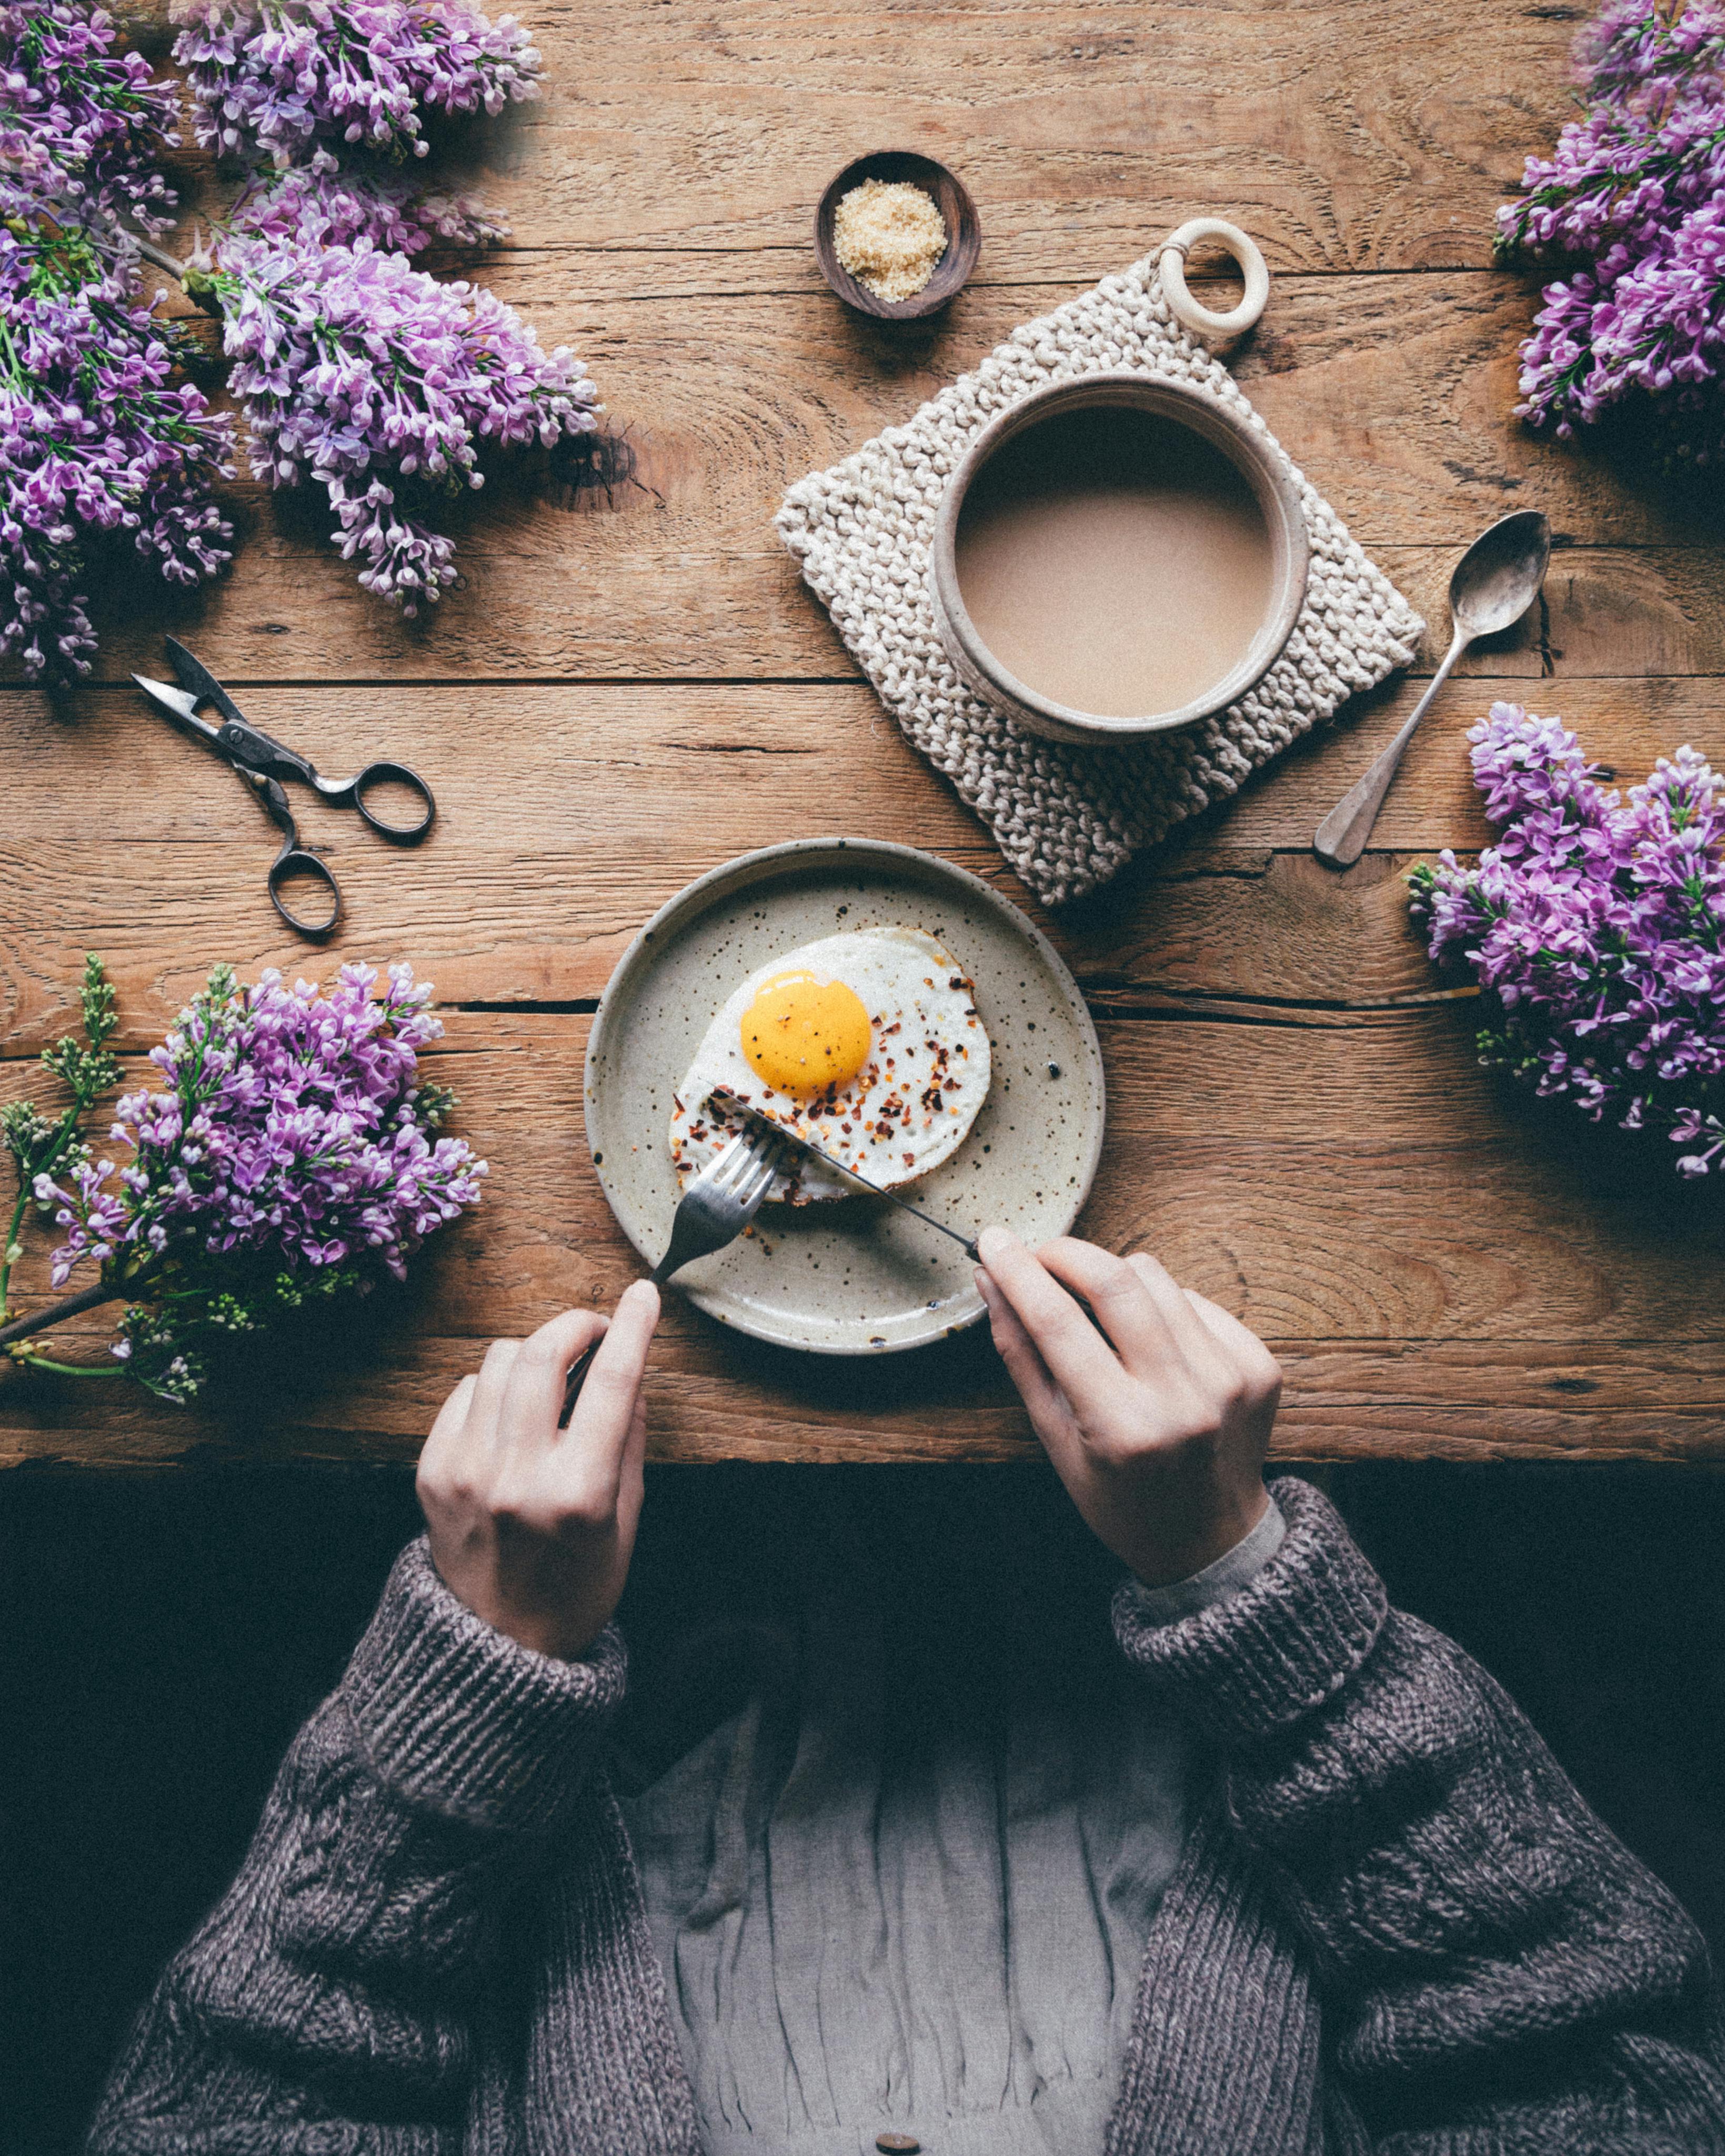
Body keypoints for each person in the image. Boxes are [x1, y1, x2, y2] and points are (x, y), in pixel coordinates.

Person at [88, 1231, 1725, 2153]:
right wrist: (1262, 1604)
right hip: (1206, 1523)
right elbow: (1585, 2056)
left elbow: (254, 2089)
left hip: (576, 1570)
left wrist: (469, 1684)